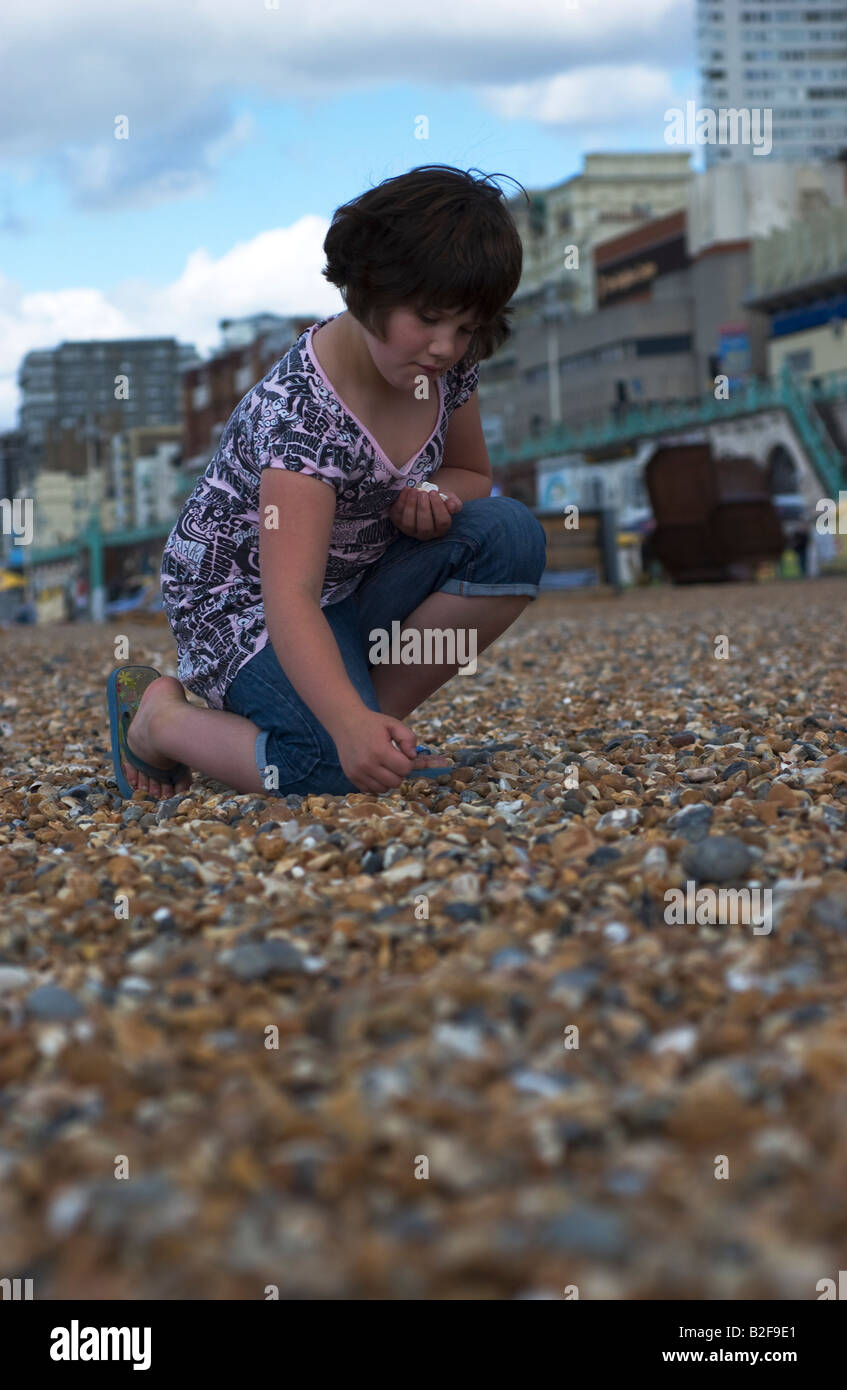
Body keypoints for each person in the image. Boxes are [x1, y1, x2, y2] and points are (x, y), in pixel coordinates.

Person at [115, 165, 547, 800]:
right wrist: (342, 727)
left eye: (466, 328)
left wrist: (435, 496)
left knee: (511, 534)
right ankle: (161, 721)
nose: (445, 346)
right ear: (369, 286)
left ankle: (372, 728)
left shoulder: (448, 368)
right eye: (428, 318)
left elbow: (472, 474)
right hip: (244, 605)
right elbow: (289, 594)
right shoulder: (304, 415)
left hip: (351, 582)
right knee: (323, 768)